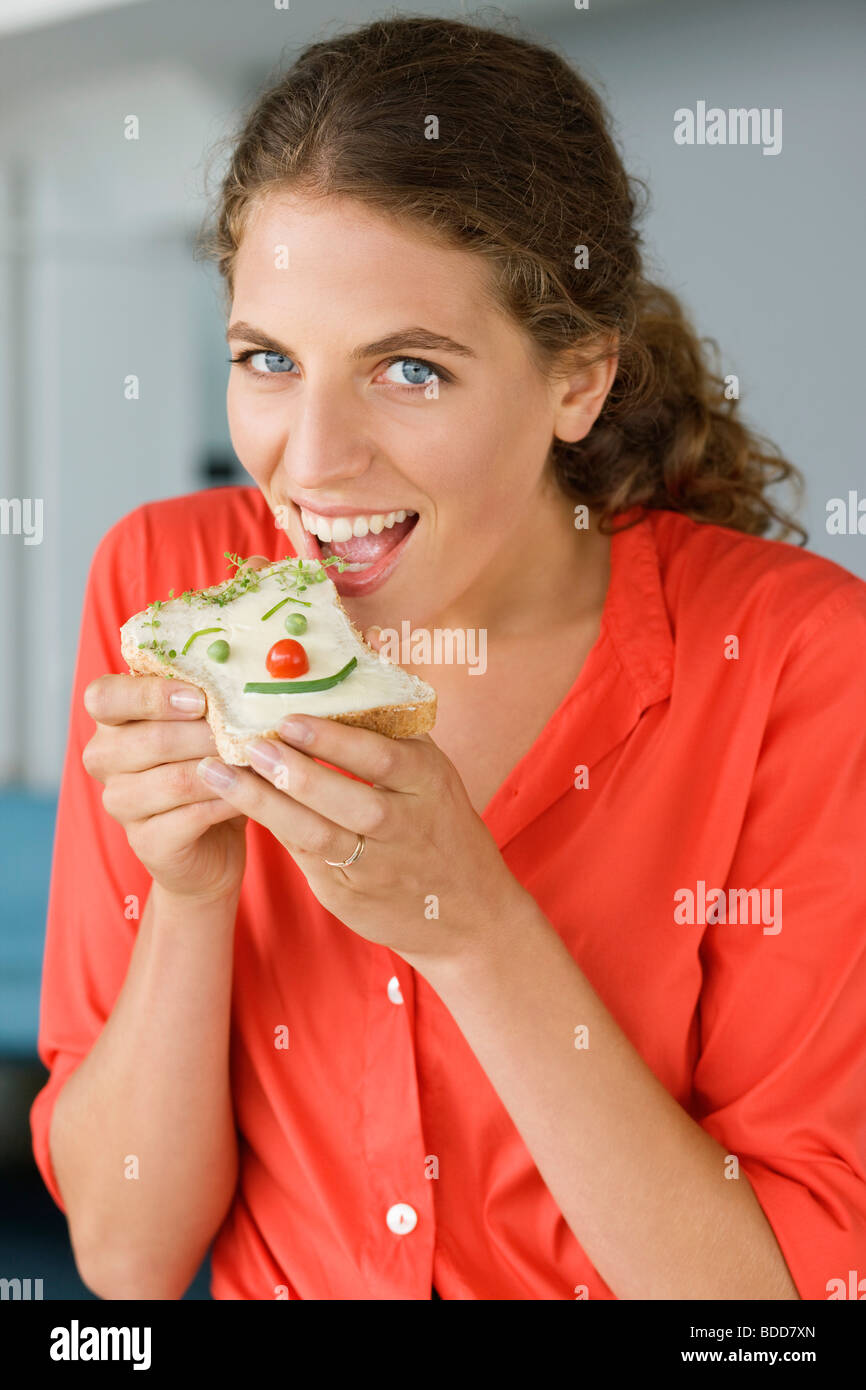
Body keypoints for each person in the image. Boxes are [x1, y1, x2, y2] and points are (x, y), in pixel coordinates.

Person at [31, 15, 866, 1301]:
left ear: (576, 382)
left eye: (407, 370)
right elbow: (126, 1263)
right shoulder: (163, 586)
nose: (308, 466)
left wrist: (473, 929)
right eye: (269, 360)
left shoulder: (795, 659)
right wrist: (190, 898)